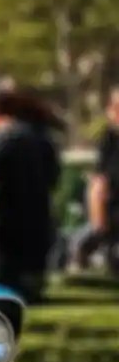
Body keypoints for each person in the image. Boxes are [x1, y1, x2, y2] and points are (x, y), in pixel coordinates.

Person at [0, 90, 62, 303]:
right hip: (37, 229)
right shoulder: (44, 140)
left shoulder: (1, 140)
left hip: (2, 233)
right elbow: (53, 183)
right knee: (26, 295)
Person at [70, 87, 119, 273]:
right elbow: (99, 183)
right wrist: (98, 221)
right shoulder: (109, 140)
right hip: (111, 215)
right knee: (83, 244)